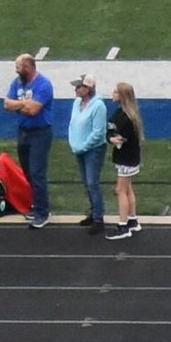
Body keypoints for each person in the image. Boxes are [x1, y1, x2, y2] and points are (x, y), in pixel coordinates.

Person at [4, 53, 53, 228]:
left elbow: (33, 110)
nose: (16, 71)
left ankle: (43, 212)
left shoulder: (44, 84)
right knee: (27, 172)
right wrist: (24, 104)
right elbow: (6, 104)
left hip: (40, 133)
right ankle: (37, 205)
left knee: (37, 172)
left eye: (18, 68)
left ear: (28, 67)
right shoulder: (17, 83)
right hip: (23, 132)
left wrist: (18, 104)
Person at [68, 74, 107, 234]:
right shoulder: (77, 103)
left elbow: (98, 132)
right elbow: (73, 125)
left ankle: (99, 218)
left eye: (79, 87)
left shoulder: (98, 106)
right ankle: (93, 212)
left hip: (93, 150)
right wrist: (74, 143)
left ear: (88, 88)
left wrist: (83, 146)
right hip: (80, 149)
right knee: (86, 183)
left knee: (92, 183)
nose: (76, 89)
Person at [104, 82, 143, 240]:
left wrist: (111, 138)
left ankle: (123, 226)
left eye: (115, 92)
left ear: (122, 96)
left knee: (120, 191)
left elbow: (118, 138)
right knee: (128, 189)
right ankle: (132, 220)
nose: (112, 94)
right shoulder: (122, 113)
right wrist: (110, 137)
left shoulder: (127, 118)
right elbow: (110, 132)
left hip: (127, 158)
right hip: (127, 157)